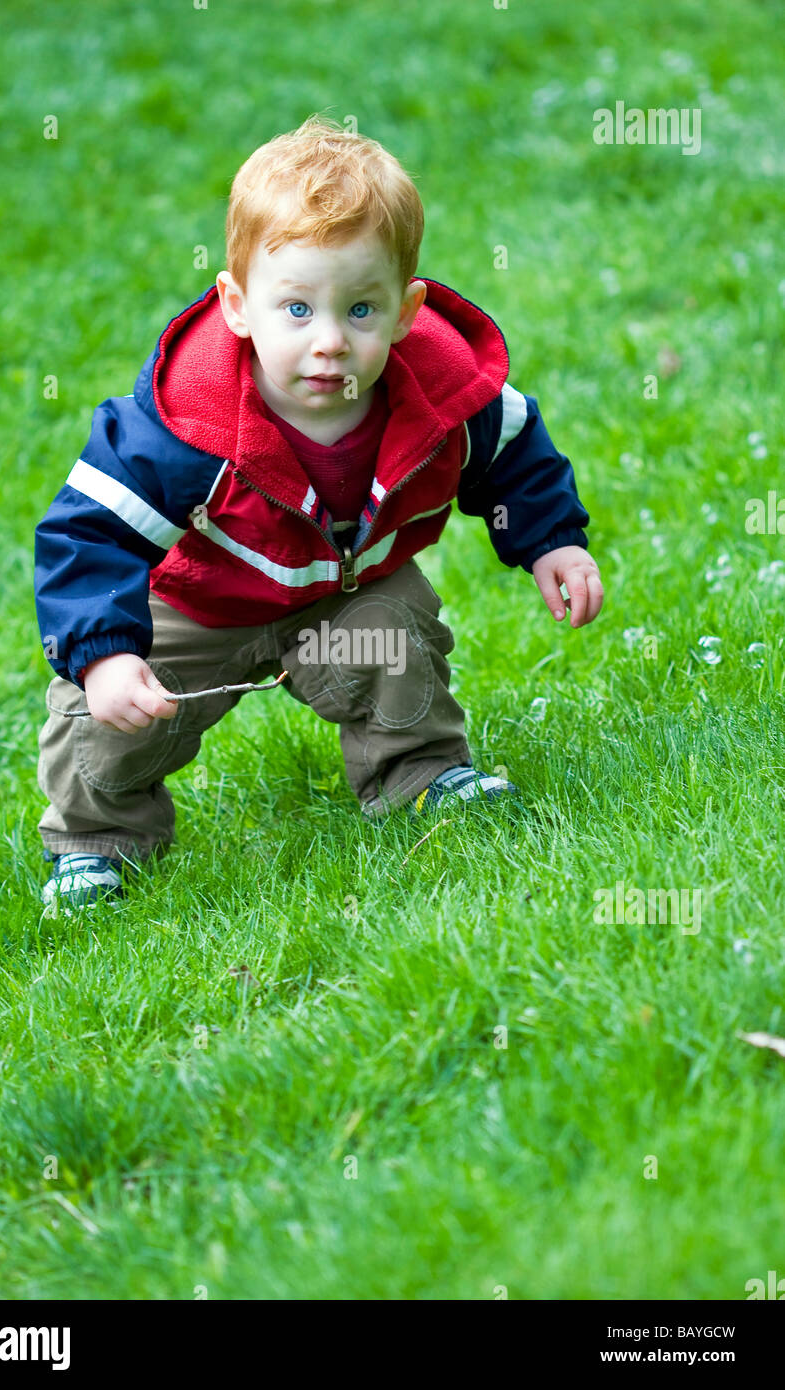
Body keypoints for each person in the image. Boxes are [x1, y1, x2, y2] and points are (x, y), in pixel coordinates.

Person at [34, 115, 603, 910]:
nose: (330, 341)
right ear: (237, 304)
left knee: (395, 633)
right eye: (296, 310)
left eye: (361, 311)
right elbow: (87, 531)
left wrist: (551, 542)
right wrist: (103, 653)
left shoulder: (444, 398)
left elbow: (512, 454)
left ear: (407, 311)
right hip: (202, 602)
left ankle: (418, 771)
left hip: (345, 593)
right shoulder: (184, 426)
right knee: (115, 717)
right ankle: (98, 839)